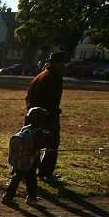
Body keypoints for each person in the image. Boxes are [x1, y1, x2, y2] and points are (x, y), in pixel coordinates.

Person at [2, 107, 55, 205]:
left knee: (20, 176)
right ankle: (27, 197)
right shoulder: (39, 131)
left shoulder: (25, 128)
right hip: (31, 158)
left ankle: (12, 196)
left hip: (21, 157)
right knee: (28, 177)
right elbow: (41, 144)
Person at [26, 51, 65, 180]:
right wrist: (53, 114)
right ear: (57, 64)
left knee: (34, 142)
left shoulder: (41, 75)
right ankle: (45, 171)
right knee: (52, 144)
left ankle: (30, 168)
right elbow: (51, 100)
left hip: (33, 114)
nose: (64, 67)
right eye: (62, 64)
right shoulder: (54, 77)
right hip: (46, 115)